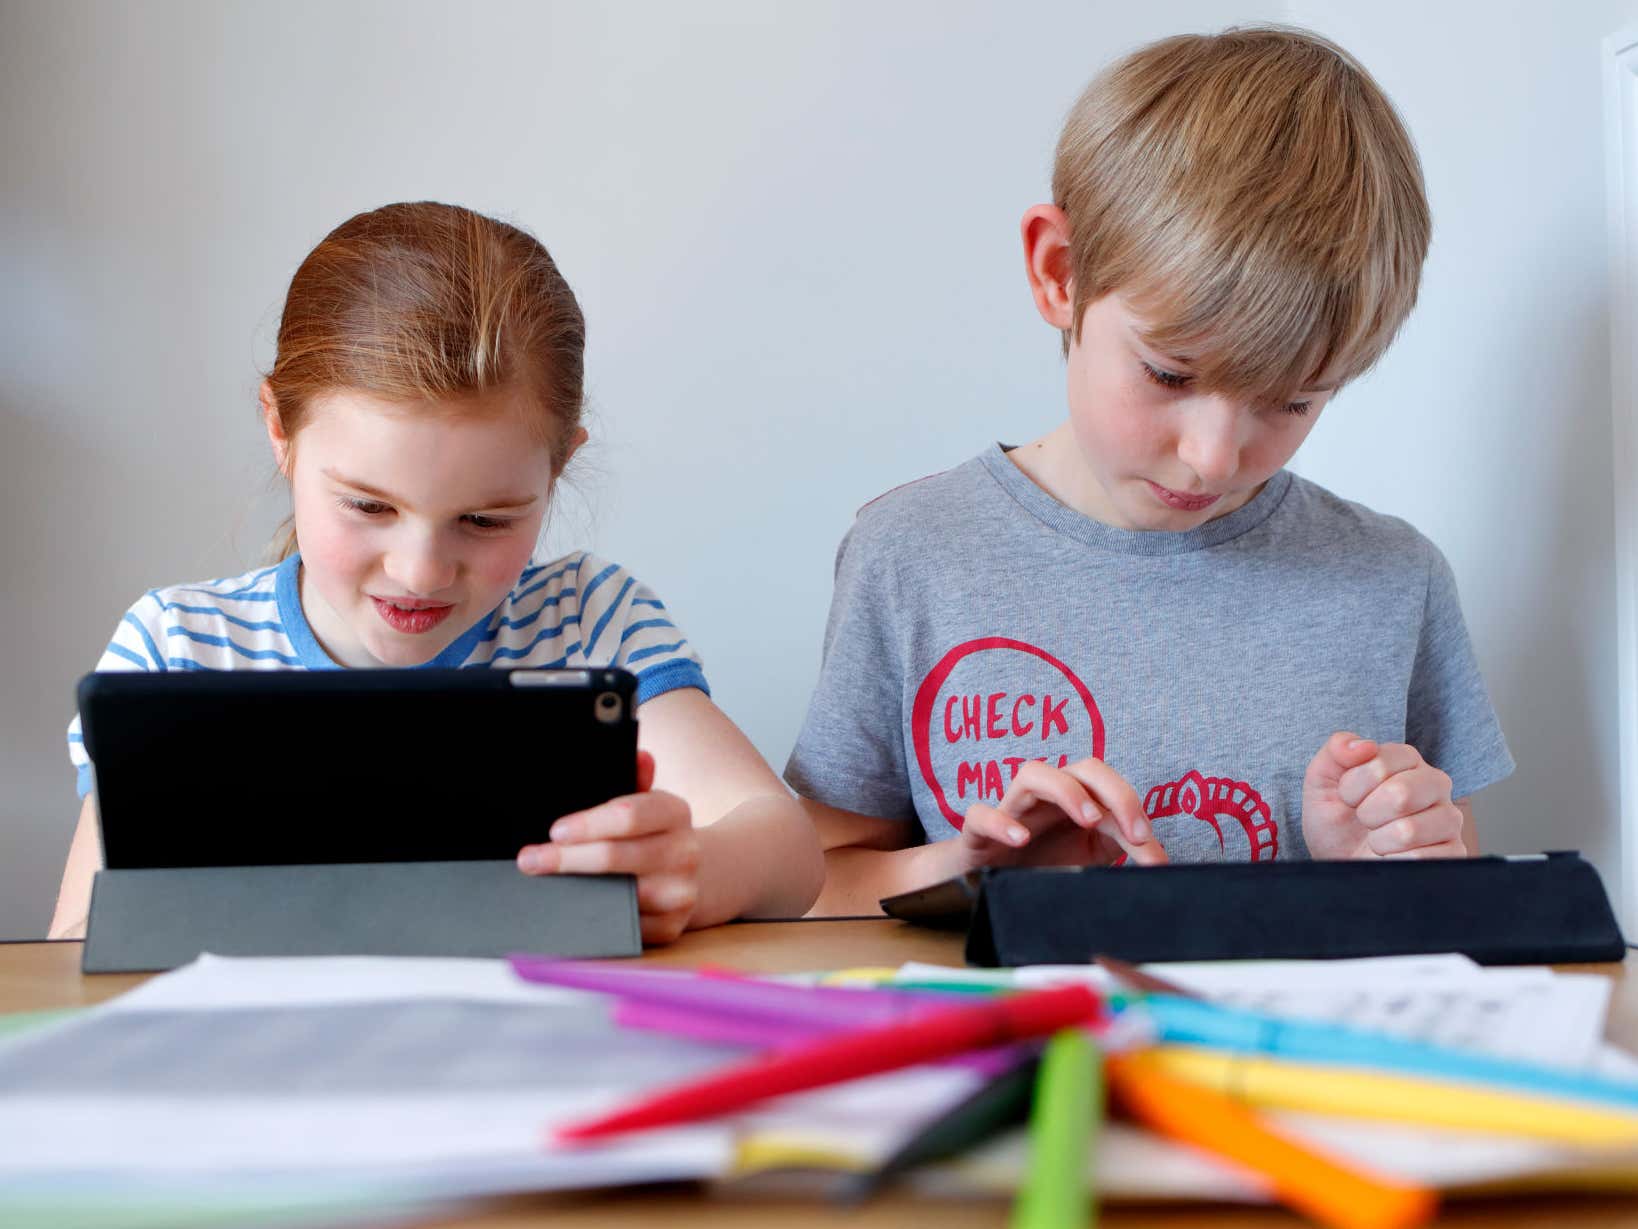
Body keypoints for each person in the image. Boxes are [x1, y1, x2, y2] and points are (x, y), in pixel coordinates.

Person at [786, 27, 1515, 916]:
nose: (1214, 457)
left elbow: (1459, 880)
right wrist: (970, 870)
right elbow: (811, 885)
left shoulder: (1394, 580)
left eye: (1292, 401)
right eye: (1171, 375)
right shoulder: (912, 555)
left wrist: (1388, 866)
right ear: (1059, 274)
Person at [53, 201, 823, 942]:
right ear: (279, 430)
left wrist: (699, 866)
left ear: (559, 468)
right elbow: (75, 941)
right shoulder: (179, 648)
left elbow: (789, 851)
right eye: (368, 505)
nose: (420, 572)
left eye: (485, 520)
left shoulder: (590, 621)